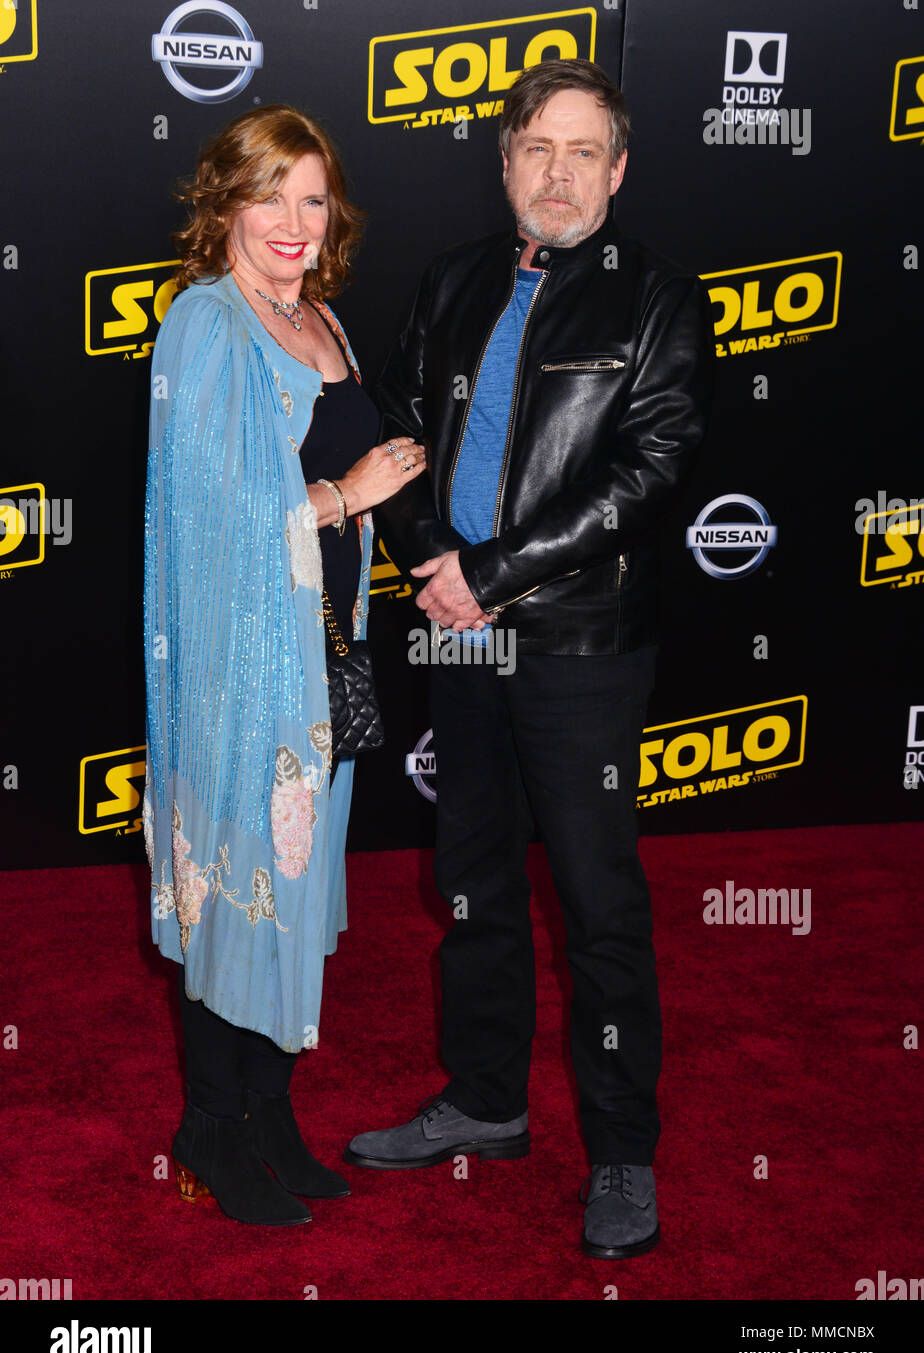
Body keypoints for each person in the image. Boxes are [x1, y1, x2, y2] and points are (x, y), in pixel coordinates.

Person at [345, 60, 713, 1259]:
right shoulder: (452, 277)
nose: (556, 174)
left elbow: (646, 477)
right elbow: (394, 427)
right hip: (458, 627)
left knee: (599, 905)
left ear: (618, 168)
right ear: (505, 162)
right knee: (471, 884)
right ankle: (487, 1100)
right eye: (534, 150)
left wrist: (489, 573)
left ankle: (620, 1152)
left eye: (582, 151)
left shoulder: (658, 298)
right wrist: (429, 562)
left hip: (578, 642)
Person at [143, 105, 425, 1227]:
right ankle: (208, 1125)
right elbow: (211, 520)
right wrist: (344, 496)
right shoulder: (205, 325)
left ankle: (270, 1113)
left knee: (295, 892)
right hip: (239, 672)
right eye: (272, 197)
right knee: (237, 891)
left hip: (318, 668)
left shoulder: (323, 322)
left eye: (313, 198)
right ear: (224, 206)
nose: (295, 223)